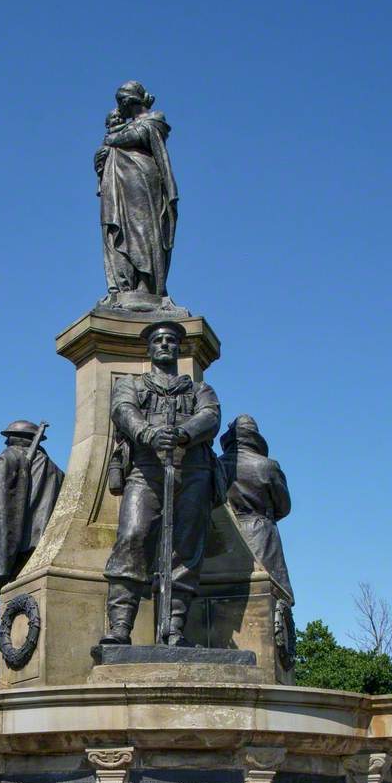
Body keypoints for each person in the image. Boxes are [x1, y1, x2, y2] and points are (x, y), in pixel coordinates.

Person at [100, 321, 221, 647]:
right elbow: (122, 410)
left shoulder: (198, 390)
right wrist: (148, 433)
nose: (165, 344)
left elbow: (211, 416)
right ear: (150, 348)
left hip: (193, 471)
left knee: (184, 551)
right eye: (159, 340)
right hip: (146, 469)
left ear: (179, 348)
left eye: (171, 340)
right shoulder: (131, 384)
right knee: (132, 537)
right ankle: (120, 627)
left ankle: (175, 628)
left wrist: (184, 433)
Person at [0, 421, 64, 622]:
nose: (7, 443)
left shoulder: (7, 460)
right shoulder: (55, 471)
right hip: (39, 549)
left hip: (6, 547)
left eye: (9, 439)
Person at [94, 81, 178, 304]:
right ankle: (124, 284)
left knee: (142, 228)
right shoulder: (123, 127)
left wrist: (111, 140)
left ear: (130, 100)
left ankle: (146, 283)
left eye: (122, 100)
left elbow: (139, 135)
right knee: (118, 229)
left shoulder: (154, 119)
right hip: (118, 183)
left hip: (140, 179)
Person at [218, 415, 294, 602]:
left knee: (225, 593)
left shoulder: (217, 465)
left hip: (225, 534)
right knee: (272, 595)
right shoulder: (268, 466)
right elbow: (284, 507)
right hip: (262, 536)